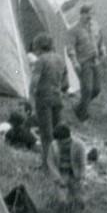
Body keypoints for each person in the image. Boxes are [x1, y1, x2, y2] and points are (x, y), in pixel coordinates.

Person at [28, 33, 69, 177]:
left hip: (43, 98)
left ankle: (47, 166)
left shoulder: (41, 60)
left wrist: (30, 98)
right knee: (58, 132)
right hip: (57, 97)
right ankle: (60, 164)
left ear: (39, 47)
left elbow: (34, 81)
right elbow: (66, 83)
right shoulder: (60, 59)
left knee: (46, 134)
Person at [70, 6, 101, 121]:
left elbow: (98, 39)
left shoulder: (94, 26)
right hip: (84, 62)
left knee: (96, 88)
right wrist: (74, 62)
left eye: (92, 14)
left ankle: (79, 107)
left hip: (95, 60)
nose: (90, 17)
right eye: (88, 14)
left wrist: (100, 49)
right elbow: (70, 48)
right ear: (81, 14)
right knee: (87, 89)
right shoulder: (74, 29)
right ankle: (82, 116)